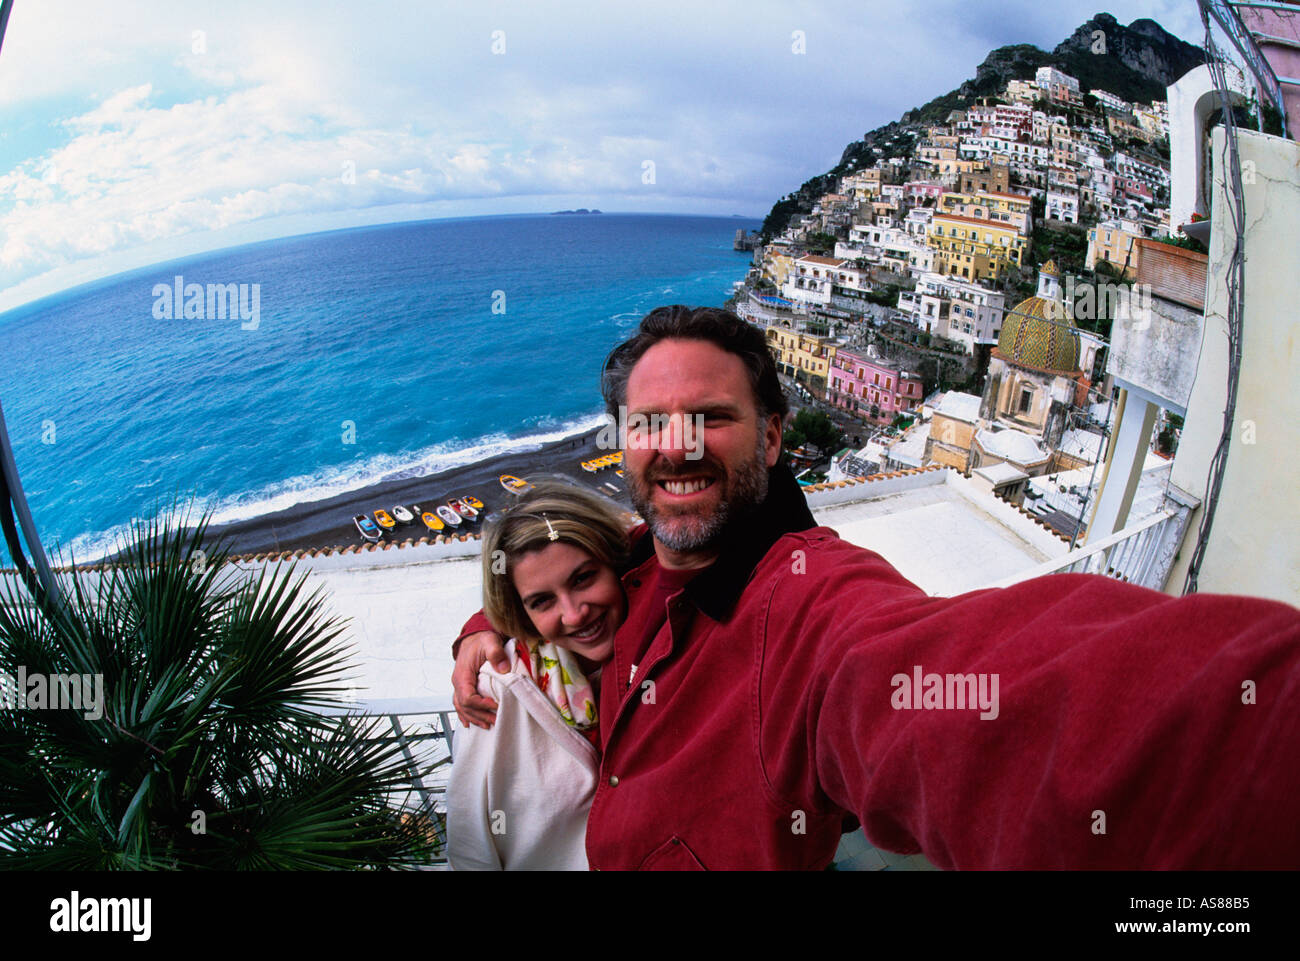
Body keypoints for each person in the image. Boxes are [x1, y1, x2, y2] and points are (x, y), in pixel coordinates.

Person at [453, 305, 1300, 870]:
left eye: (711, 416)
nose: (676, 447)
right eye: (647, 423)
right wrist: (484, 630)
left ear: (776, 435)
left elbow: (992, 696)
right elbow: (564, 581)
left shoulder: (811, 608)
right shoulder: (635, 566)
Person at [445, 481, 630, 870]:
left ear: (616, 563)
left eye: (583, 579)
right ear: (520, 612)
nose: (574, 613)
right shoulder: (499, 687)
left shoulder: (670, 640)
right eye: (542, 601)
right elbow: (469, 844)